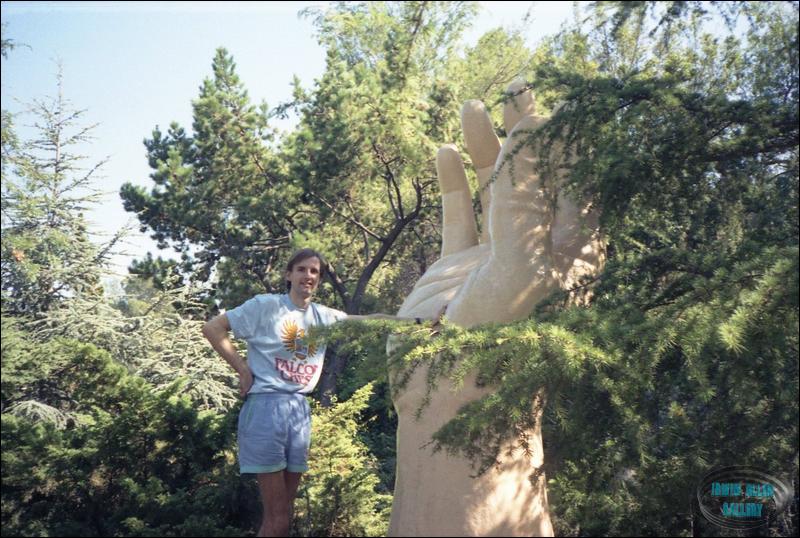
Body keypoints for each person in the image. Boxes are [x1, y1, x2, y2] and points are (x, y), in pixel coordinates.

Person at [202, 247, 437, 538]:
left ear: (319, 280)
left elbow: (371, 320)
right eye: (301, 269)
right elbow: (213, 328)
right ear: (289, 274)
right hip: (266, 408)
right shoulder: (265, 306)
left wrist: (421, 323)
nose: (308, 276)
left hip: (299, 411)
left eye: (314, 272)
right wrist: (242, 369)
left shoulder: (323, 317)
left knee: (283, 517)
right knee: (277, 519)